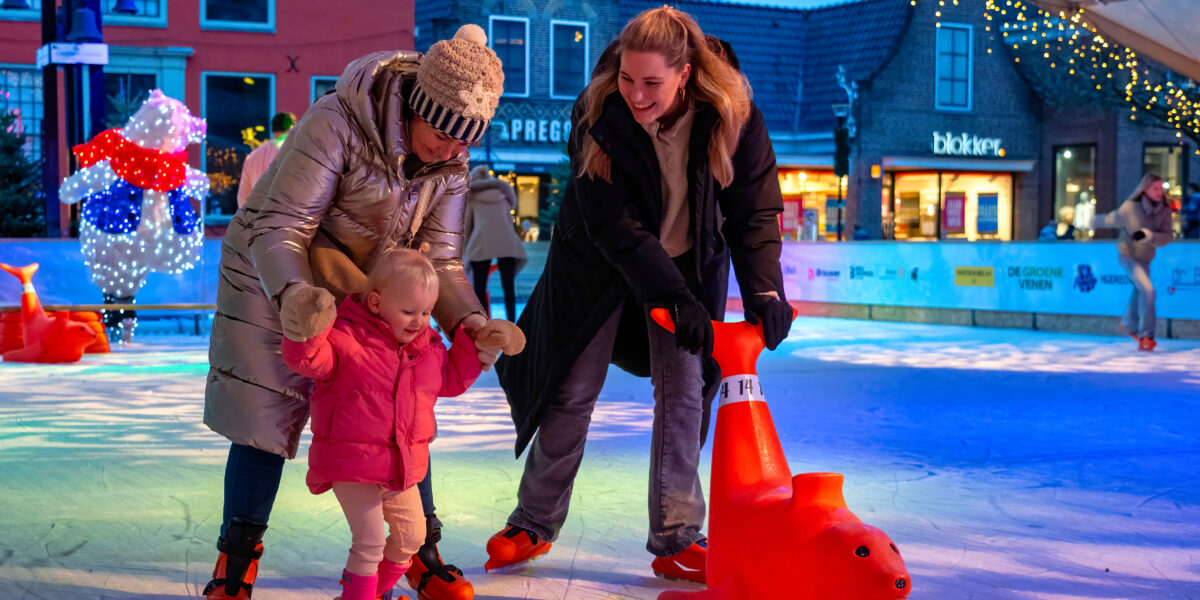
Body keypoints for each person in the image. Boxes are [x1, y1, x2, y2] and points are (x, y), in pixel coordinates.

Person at [202, 24, 510, 600]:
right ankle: (235, 563)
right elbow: (281, 224)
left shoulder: (452, 163)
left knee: (404, 403)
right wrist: (296, 298)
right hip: (275, 268)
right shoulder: (336, 122)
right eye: (443, 134)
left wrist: (468, 321)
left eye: (465, 140)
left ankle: (419, 552)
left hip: (367, 285)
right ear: (416, 107)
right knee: (264, 417)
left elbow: (441, 261)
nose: (452, 150)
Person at [491, 7, 792, 585]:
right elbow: (616, 226)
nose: (636, 94)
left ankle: (677, 537)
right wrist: (669, 293)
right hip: (597, 264)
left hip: (689, 266)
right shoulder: (599, 110)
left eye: (652, 83)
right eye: (629, 78)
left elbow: (754, 209)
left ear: (686, 73)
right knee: (570, 386)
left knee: (684, 394)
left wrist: (764, 289)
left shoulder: (733, 113)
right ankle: (533, 521)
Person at [281, 249, 490, 600]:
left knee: (411, 537)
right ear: (376, 303)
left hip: (402, 465)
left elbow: (450, 379)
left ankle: (371, 594)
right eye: (409, 311)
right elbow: (309, 359)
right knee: (370, 542)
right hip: (354, 464)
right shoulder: (347, 338)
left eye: (426, 312)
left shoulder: (427, 348)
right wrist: (306, 328)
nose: (420, 321)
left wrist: (472, 344)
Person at [1093, 173, 1174, 351]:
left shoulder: (1165, 211)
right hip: (1127, 255)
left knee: (1141, 291)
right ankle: (1147, 336)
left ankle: (1128, 324)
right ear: (1144, 190)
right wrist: (1091, 220)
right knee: (1148, 290)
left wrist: (1150, 236)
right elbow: (1111, 219)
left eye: (1161, 188)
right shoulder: (1130, 208)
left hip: (1145, 257)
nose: (1159, 192)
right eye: (1155, 188)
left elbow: (1167, 236)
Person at [464, 165, 527, 321]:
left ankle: (485, 324)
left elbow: (468, 228)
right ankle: (512, 323)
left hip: (481, 244)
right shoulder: (503, 197)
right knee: (508, 287)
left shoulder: (472, 198)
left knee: (480, 287)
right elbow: (509, 224)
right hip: (507, 243)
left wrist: (464, 254)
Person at [236, 111, 296, 208]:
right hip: (284, 217)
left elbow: (242, 197)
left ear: (273, 129)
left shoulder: (253, 156)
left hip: (257, 218)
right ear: (291, 128)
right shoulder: (292, 151)